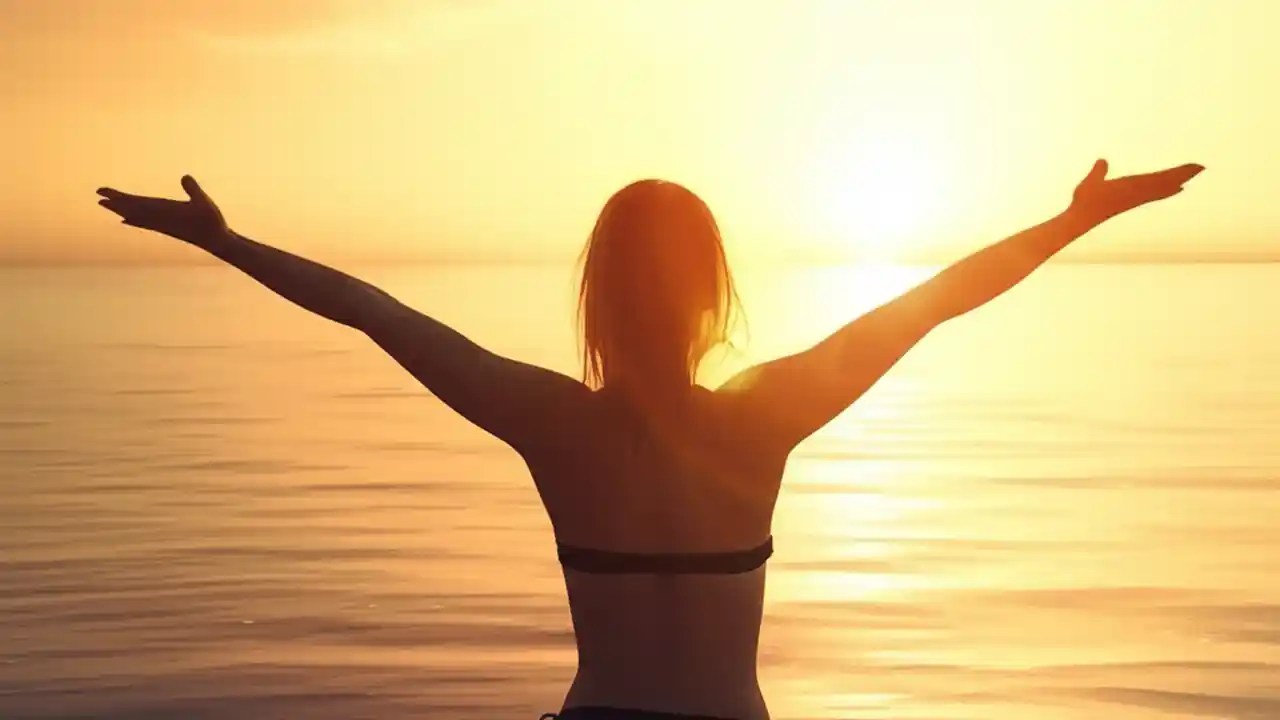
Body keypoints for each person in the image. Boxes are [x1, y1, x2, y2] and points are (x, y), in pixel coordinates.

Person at [97, 158, 1203, 720]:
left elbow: (367, 308)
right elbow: (933, 300)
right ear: (709, 297)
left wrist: (225, 243)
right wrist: (1072, 222)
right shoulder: (766, 416)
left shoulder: (546, 421)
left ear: (597, 299)